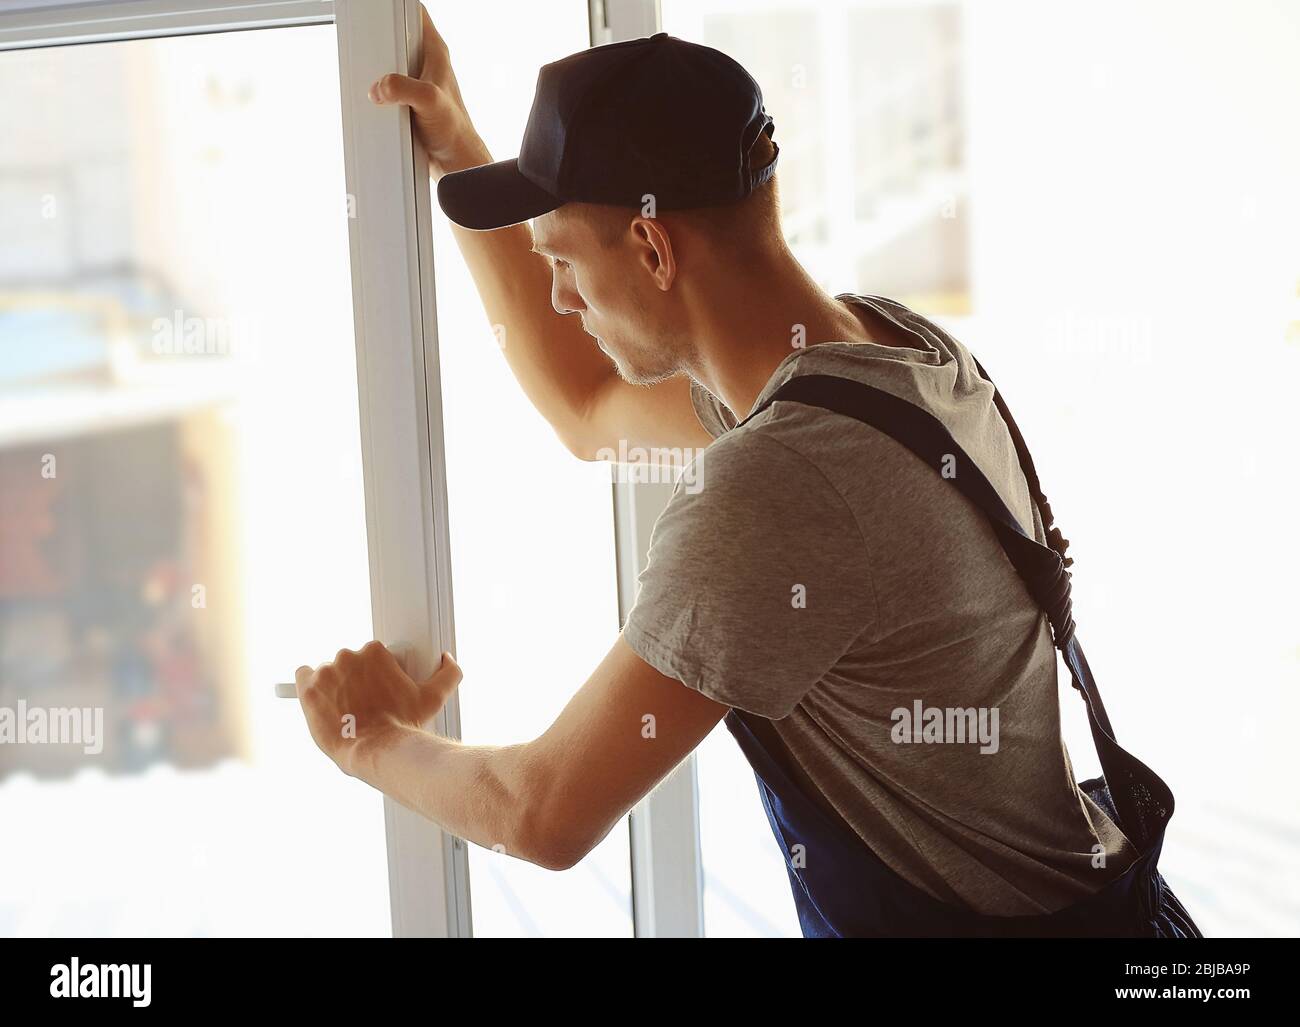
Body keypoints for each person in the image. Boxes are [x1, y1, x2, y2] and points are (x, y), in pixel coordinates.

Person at [293, 11, 1146, 935]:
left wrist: (364, 735)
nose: (561, 296)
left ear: (656, 250)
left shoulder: (778, 488)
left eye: (566, 260)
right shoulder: (889, 348)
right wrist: (457, 148)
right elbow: (584, 408)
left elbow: (540, 812)